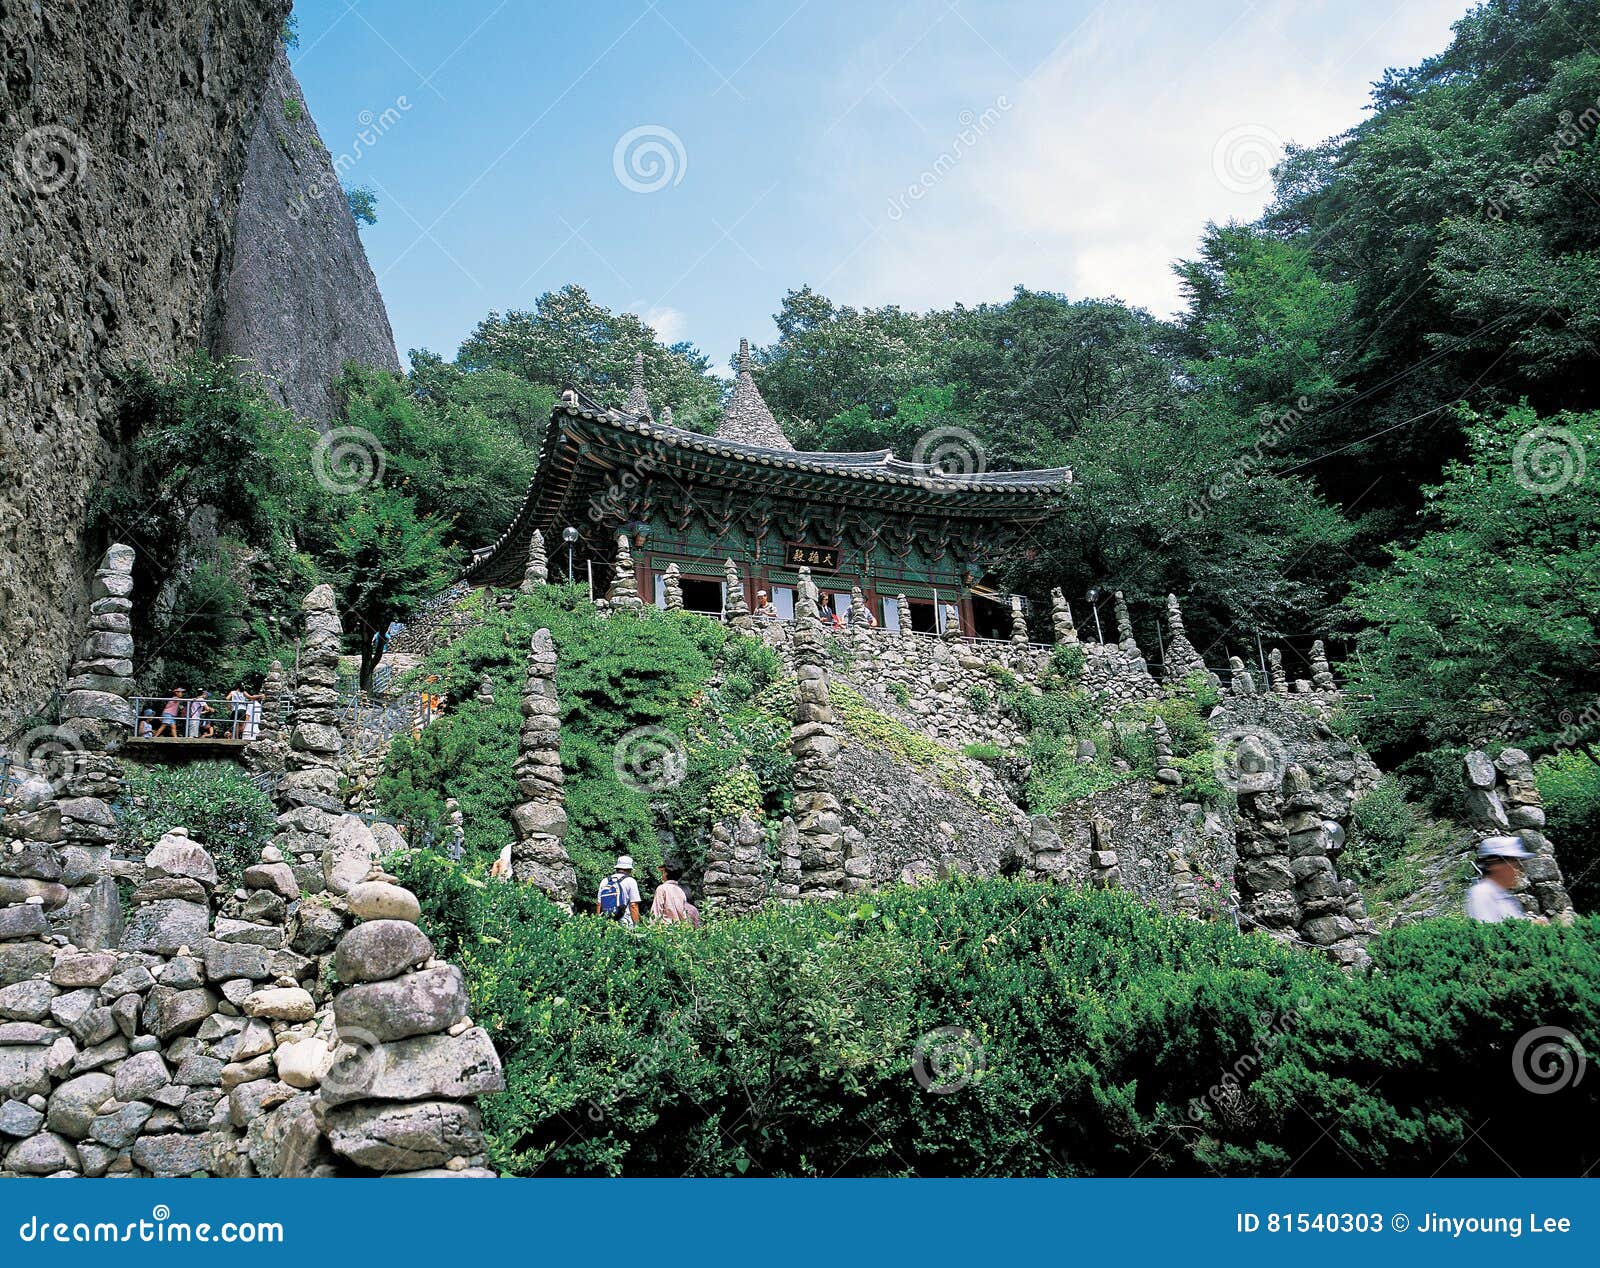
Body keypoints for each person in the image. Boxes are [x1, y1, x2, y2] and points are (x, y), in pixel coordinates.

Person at [1465, 836, 1549, 925]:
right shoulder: (1481, 894)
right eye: (1514, 863)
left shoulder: (1505, 896)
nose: (1519, 869)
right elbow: (1490, 932)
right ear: (1495, 865)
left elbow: (1512, 925)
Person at [596, 855, 642, 926]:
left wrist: (599, 923)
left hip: (606, 921)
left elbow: (599, 904)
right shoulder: (630, 881)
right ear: (629, 869)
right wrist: (637, 925)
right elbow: (633, 905)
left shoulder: (605, 881)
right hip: (625, 922)